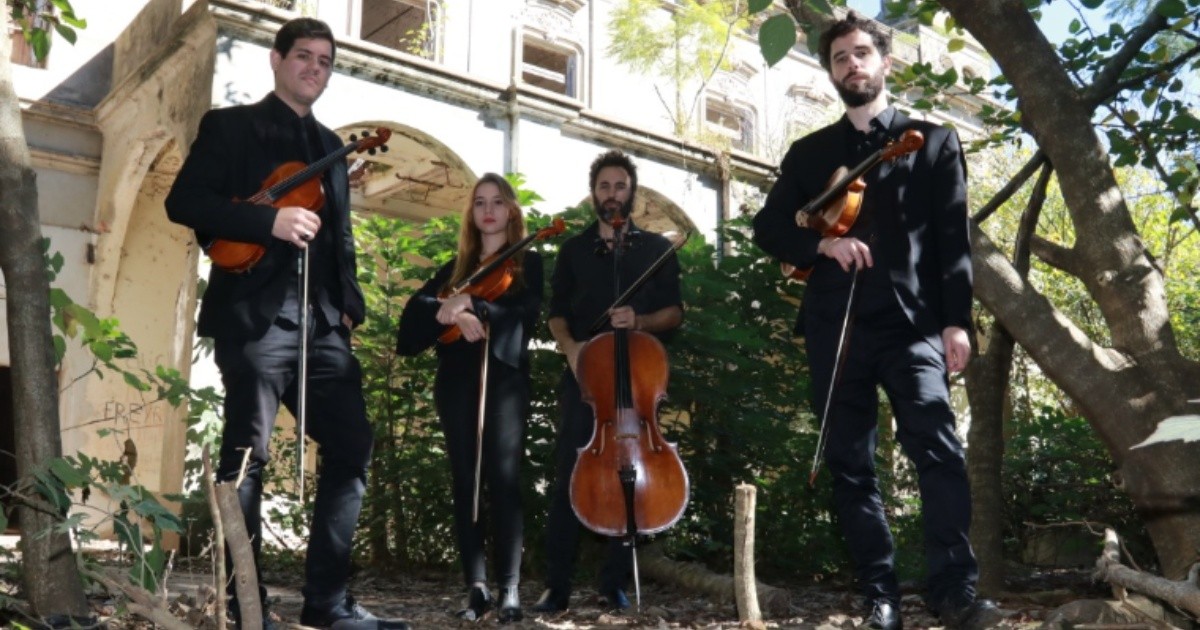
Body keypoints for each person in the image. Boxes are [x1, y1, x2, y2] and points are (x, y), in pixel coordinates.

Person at [752, 12, 1002, 630]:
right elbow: (769, 227)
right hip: (837, 326)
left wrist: (956, 323)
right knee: (851, 464)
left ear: (885, 63)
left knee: (939, 452)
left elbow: (951, 240)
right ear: (830, 71)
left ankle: (952, 590)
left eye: (862, 53)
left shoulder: (932, 140)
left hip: (913, 324)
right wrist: (821, 247)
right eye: (839, 58)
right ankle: (880, 593)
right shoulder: (810, 154)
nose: (852, 65)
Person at [165, 17, 406, 630]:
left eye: (325, 62)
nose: (314, 69)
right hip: (255, 318)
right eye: (304, 56)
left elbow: (341, 241)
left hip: (322, 325)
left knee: (352, 446)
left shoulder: (331, 146)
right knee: (248, 456)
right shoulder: (231, 127)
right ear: (277, 59)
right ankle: (247, 607)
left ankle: (326, 603)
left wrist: (351, 306)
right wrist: (266, 223)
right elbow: (186, 203)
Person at [532, 150, 684, 614]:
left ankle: (613, 582)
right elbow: (556, 314)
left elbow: (675, 313)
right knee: (568, 478)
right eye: (604, 186)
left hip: (637, 383)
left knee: (629, 479)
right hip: (585, 379)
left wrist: (639, 319)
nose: (612, 194)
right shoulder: (574, 250)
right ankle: (555, 585)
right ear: (593, 194)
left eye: (620, 186)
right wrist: (572, 349)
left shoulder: (656, 251)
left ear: (631, 194)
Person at [395, 173, 543, 624]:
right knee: (466, 481)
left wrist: (473, 308)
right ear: (472, 214)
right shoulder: (456, 269)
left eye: (497, 202)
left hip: (504, 382)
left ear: (511, 211)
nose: (488, 210)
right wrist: (450, 308)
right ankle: (476, 587)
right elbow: (412, 321)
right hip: (457, 381)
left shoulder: (527, 262)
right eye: (479, 203)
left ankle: (511, 588)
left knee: (503, 479)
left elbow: (525, 316)